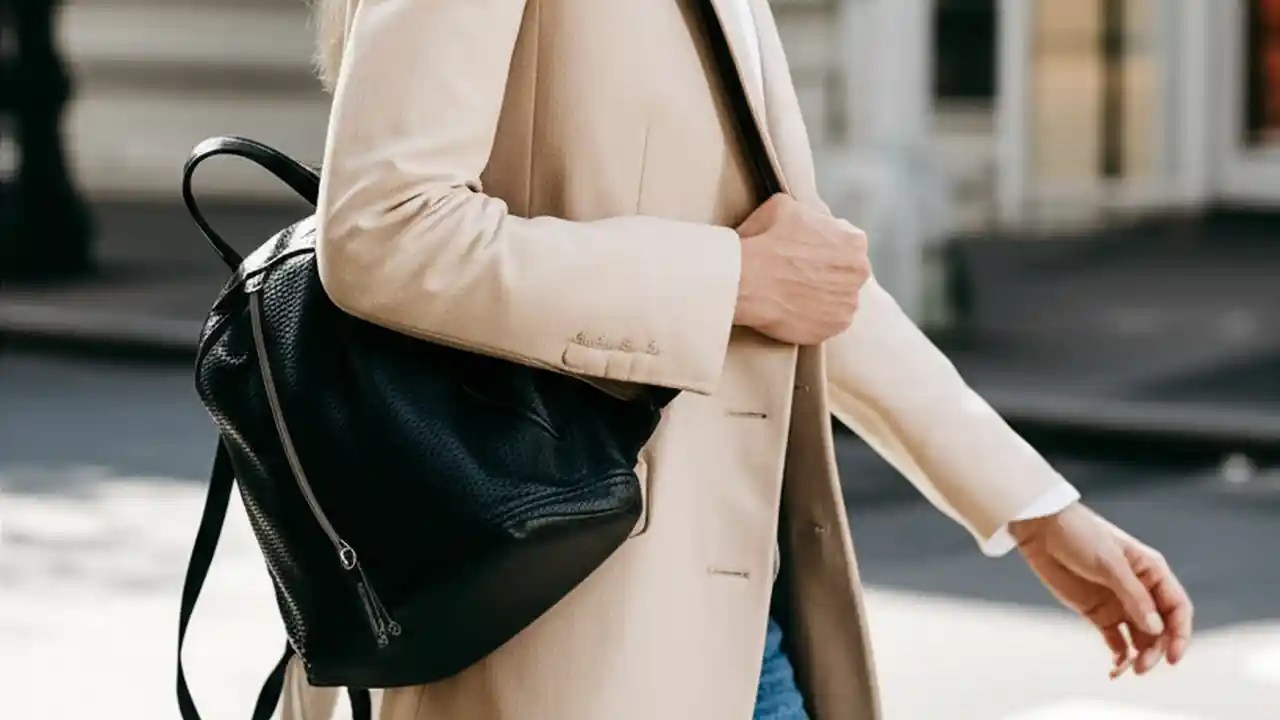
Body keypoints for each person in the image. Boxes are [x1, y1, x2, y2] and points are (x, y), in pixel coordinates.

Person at [284, 1, 1194, 718]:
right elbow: (383, 230)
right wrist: (732, 278)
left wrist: (1031, 506)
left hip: (727, 622)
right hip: (562, 623)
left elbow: (796, 270)